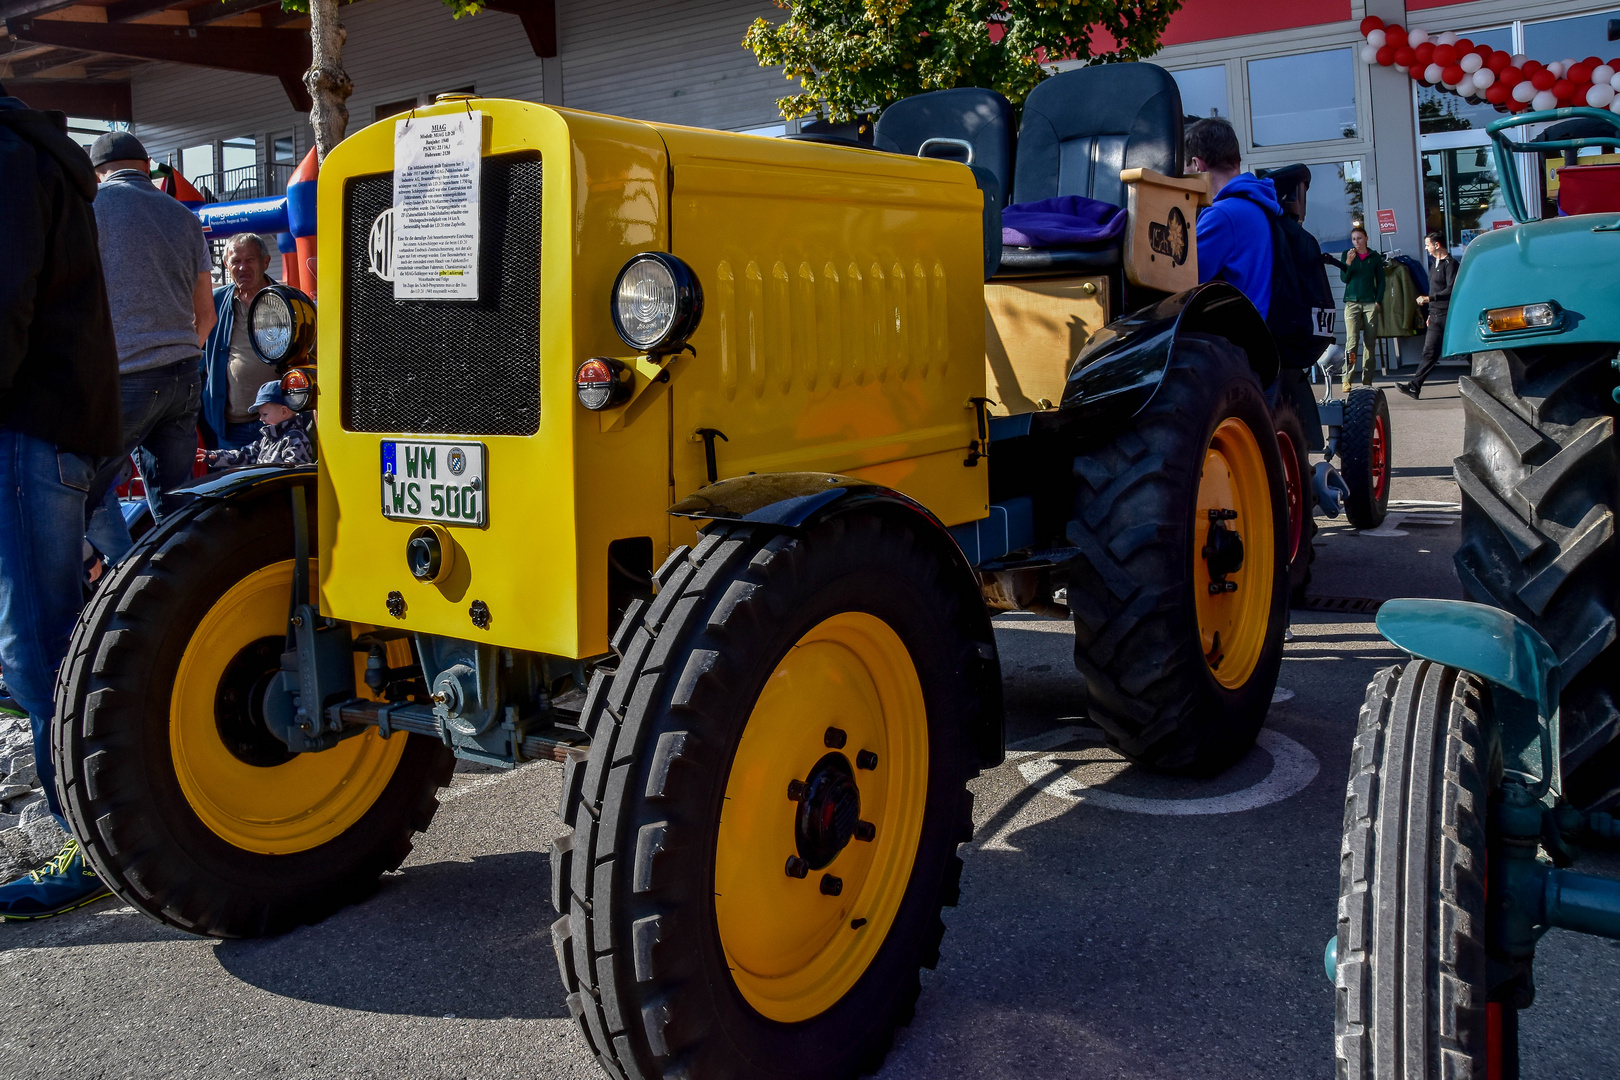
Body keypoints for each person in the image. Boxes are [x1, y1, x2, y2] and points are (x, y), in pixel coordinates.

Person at [0, 85, 122, 917]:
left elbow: (4, 303)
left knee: (38, 647)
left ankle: (94, 841)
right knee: (55, 636)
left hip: (29, 428)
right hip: (64, 424)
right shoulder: (40, 156)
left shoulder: (8, 160)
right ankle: (111, 821)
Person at [87, 130, 216, 537]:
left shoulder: (90, 209)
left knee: (76, 495)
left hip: (127, 377)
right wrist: (176, 349)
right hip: (183, 375)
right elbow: (207, 316)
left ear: (97, 174)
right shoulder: (184, 216)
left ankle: (110, 574)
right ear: (147, 168)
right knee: (176, 515)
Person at [1185, 117, 1279, 318]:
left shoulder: (1223, 214)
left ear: (1197, 165)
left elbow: (1182, 280)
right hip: (1266, 334)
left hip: (1242, 341)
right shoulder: (1258, 202)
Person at [201, 234, 279, 452]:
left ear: (265, 262)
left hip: (278, 423)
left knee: (278, 485)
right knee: (237, 485)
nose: (242, 267)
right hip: (231, 428)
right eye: (236, 261)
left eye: (250, 260)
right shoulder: (215, 301)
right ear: (226, 264)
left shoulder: (286, 300)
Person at [1398, 232, 1459, 399]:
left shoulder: (1451, 264)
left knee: (1463, 352)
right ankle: (1414, 387)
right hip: (1436, 315)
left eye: (1428, 245)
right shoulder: (1434, 264)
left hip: (1449, 316)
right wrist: (1430, 313)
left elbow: (1451, 289)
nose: (1426, 248)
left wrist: (1429, 298)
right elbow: (1434, 289)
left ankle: (1484, 383)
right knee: (1429, 353)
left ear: (1437, 245)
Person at [201, 382, 314, 470]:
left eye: (265, 414)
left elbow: (295, 475)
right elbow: (246, 455)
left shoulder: (294, 439)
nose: (261, 419)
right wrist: (215, 456)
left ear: (284, 412)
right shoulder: (267, 439)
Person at [1336, 226, 1385, 391]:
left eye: (1359, 238)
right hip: (1352, 303)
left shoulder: (1374, 257)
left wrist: (1378, 301)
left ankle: (1367, 380)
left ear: (1366, 238)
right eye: (1354, 239)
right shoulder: (1347, 255)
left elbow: (1381, 281)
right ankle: (1347, 379)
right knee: (1352, 341)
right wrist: (1348, 263)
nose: (1356, 242)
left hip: (1370, 303)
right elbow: (1344, 278)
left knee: (1370, 342)